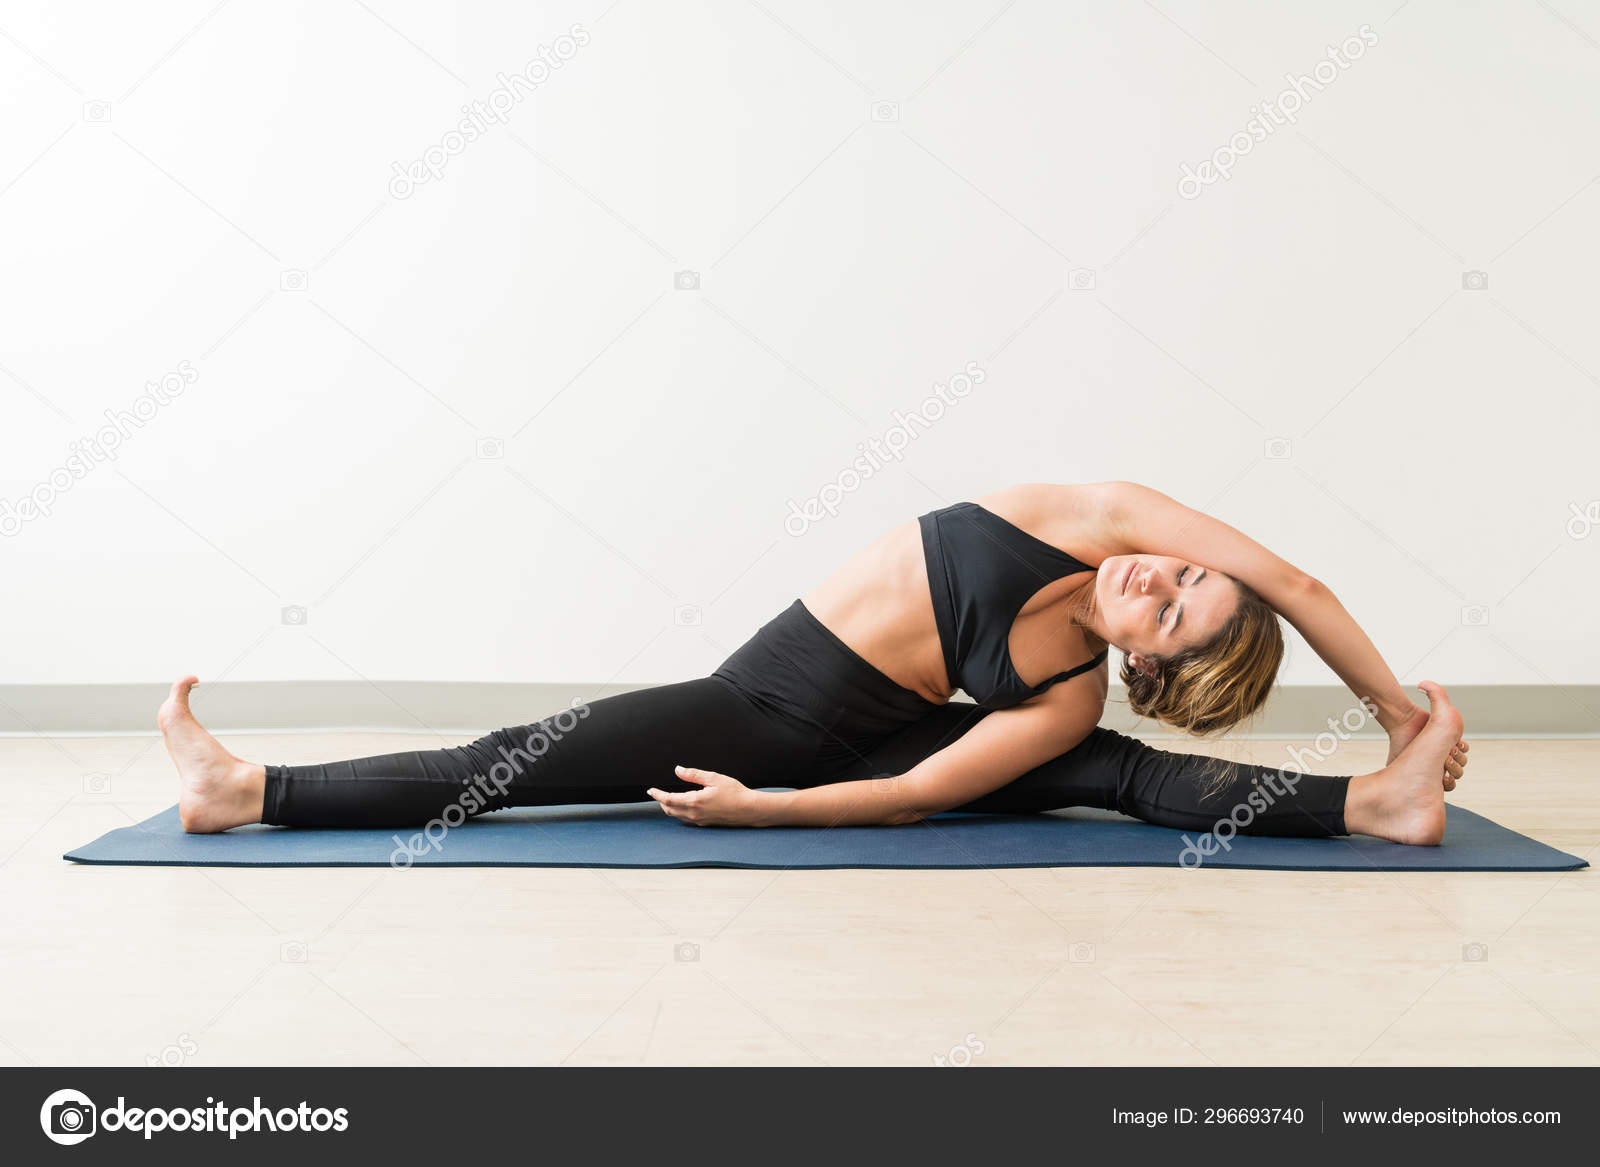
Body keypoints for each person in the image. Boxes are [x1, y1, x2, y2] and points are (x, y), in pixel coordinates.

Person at [160, 481, 1467, 843]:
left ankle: (250, 791)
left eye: (1176, 611)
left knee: (515, 765)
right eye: (1187, 572)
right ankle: (1383, 790)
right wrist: (1399, 711)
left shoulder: (1064, 699)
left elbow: (910, 797)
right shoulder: (1098, 515)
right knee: (1107, 773)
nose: (1163, 577)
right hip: (795, 709)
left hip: (769, 728)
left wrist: (760, 808)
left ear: (1149, 663)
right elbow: (1296, 586)